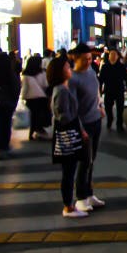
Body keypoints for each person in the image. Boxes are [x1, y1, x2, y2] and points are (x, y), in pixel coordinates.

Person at [48, 55, 91, 218]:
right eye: (67, 67)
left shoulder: (62, 89)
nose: (70, 70)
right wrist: (78, 127)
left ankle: (69, 205)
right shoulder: (61, 91)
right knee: (68, 172)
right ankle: (68, 207)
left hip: (70, 132)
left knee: (70, 170)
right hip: (67, 135)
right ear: (60, 72)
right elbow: (63, 116)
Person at [68, 43, 106, 213]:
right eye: (84, 59)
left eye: (90, 58)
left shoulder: (91, 72)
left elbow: (96, 93)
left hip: (96, 120)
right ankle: (81, 197)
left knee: (91, 160)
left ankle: (89, 194)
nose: (88, 62)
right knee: (84, 162)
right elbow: (72, 108)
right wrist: (80, 128)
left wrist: (100, 105)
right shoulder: (72, 79)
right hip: (84, 125)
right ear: (76, 59)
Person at [98, 48, 127, 132]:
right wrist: (100, 89)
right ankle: (110, 119)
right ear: (108, 57)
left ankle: (119, 124)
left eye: (114, 55)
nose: (112, 56)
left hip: (119, 90)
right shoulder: (105, 67)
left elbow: (126, 78)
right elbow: (101, 79)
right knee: (108, 107)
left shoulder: (121, 66)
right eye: (111, 55)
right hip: (108, 90)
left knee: (120, 109)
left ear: (117, 56)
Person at [21, 55, 51, 140]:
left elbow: (25, 88)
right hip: (41, 97)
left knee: (33, 115)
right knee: (40, 115)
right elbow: (46, 85)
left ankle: (31, 133)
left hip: (30, 98)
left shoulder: (25, 74)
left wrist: (23, 98)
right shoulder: (42, 73)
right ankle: (39, 131)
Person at [0, 51, 21, 159]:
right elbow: (16, 89)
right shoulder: (10, 74)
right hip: (7, 104)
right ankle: (4, 147)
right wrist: (13, 103)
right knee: (6, 125)